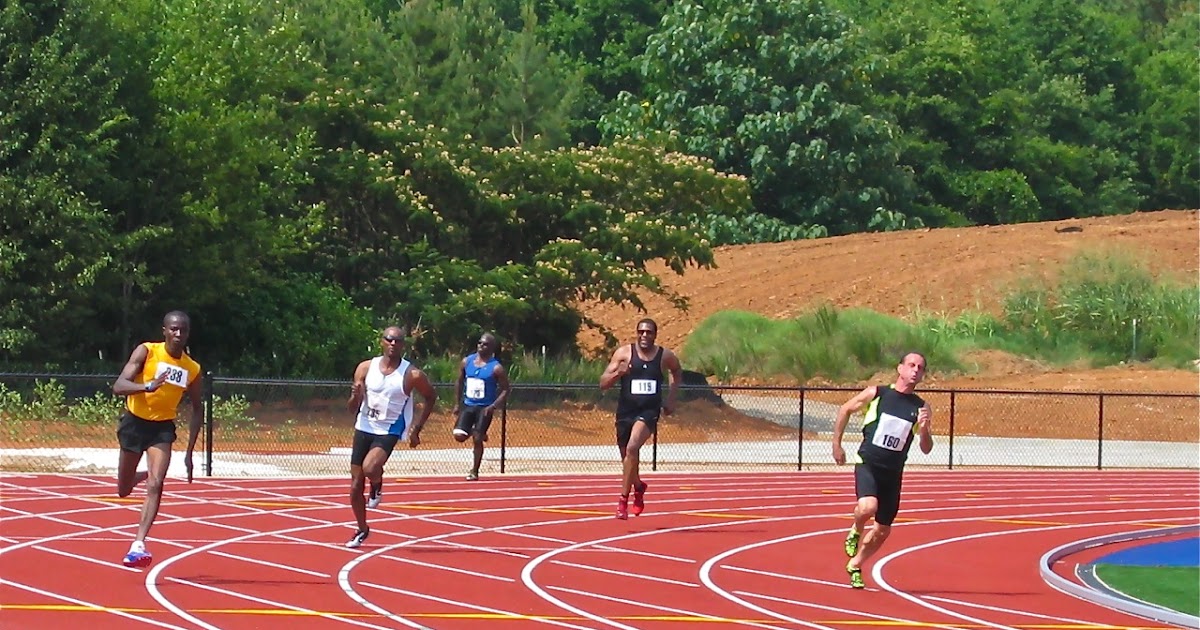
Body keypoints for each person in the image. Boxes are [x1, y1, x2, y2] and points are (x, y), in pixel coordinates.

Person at [831, 351, 934, 589]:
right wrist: (837, 444)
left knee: (883, 530)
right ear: (900, 369)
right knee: (868, 507)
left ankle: (855, 565)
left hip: (893, 473)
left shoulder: (920, 407)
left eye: (920, 367)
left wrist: (925, 428)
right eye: (911, 365)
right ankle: (856, 529)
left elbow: (926, 448)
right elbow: (845, 409)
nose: (915, 370)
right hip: (869, 463)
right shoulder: (877, 393)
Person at [111, 310, 204, 568]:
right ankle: (137, 475)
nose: (178, 334)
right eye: (173, 329)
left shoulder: (191, 368)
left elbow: (198, 409)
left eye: (183, 330)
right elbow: (118, 386)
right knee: (124, 490)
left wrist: (188, 453)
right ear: (164, 330)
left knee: (157, 483)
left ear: (187, 334)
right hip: (134, 422)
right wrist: (147, 386)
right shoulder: (147, 352)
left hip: (162, 429)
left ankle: (138, 544)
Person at [344, 325, 438, 549]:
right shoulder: (366, 368)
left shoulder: (412, 374)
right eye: (389, 339)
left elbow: (431, 397)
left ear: (404, 345)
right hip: (364, 426)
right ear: (382, 341)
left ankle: (376, 483)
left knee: (370, 468)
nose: (393, 344)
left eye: (398, 341)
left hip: (389, 429)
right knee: (356, 486)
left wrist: (417, 428)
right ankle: (362, 529)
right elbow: (351, 409)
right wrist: (355, 396)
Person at [599, 318, 682, 520]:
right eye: (641, 332)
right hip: (625, 411)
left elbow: (677, 371)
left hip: (648, 411)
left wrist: (671, 398)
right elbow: (603, 383)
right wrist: (619, 373)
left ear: (655, 335)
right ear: (637, 333)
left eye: (649, 332)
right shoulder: (624, 354)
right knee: (627, 458)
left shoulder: (664, 356)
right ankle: (638, 485)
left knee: (633, 448)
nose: (645, 336)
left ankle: (622, 501)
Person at [451, 332, 511, 481]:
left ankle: (474, 471)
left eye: (485, 344)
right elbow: (459, 381)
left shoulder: (496, 368)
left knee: (477, 440)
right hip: (468, 404)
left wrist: (494, 406)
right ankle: (477, 431)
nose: (481, 346)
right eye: (479, 343)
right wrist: (457, 403)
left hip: (485, 408)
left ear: (491, 348)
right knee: (459, 436)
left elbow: (506, 389)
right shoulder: (467, 362)